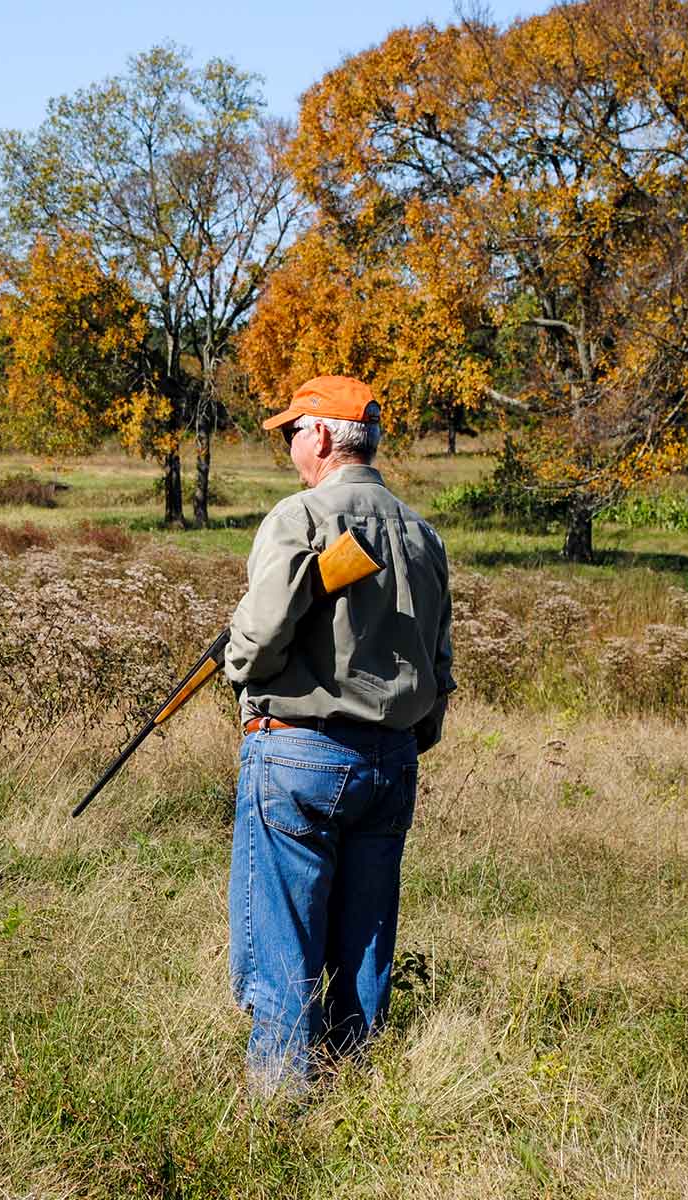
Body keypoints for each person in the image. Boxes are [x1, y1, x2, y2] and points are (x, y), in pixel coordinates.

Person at [221, 374, 454, 1095]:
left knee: (283, 940)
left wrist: (239, 669)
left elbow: (260, 637)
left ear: (321, 435)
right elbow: (439, 661)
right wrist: (411, 737)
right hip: (392, 761)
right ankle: (357, 1092)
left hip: (299, 752)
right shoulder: (422, 533)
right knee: (365, 940)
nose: (289, 445)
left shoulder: (298, 517)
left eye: (293, 431)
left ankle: (281, 1097)